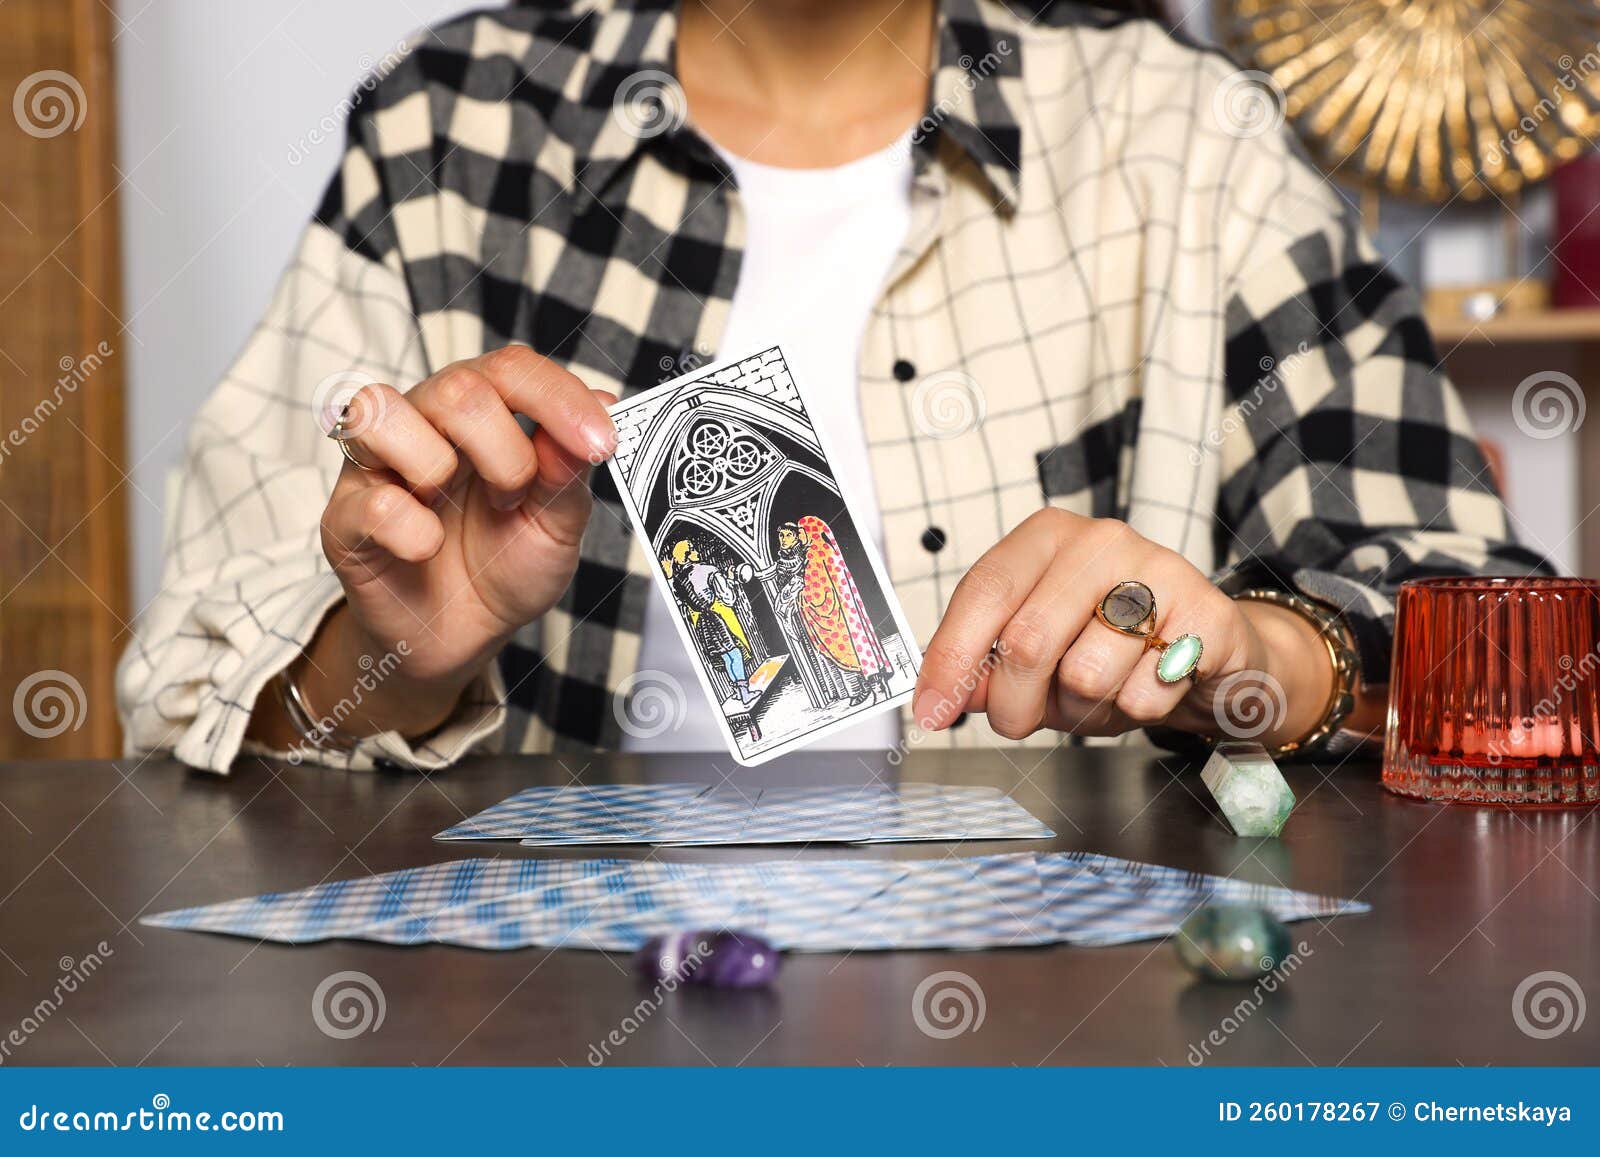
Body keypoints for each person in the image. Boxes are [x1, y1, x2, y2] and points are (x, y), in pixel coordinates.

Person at [117, 0, 1547, 772]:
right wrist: (392, 662)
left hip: (1084, 1037)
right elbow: (182, 697)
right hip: (552, 1036)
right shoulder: (448, 125)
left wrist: (1253, 660)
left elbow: (1501, 645)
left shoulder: (1186, 135)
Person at [775, 519, 891, 707]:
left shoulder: (815, 554)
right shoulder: (819, 550)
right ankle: (866, 687)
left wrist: (798, 597)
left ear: (810, 532)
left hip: (835, 614)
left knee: (851, 651)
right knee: (851, 652)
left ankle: (875, 689)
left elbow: (817, 592)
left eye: (800, 531)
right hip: (840, 611)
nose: (798, 535)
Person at [668, 539, 758, 705]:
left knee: (726, 657)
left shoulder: (677, 580)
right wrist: (730, 579)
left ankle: (738, 692)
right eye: (693, 549)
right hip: (717, 619)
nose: (697, 552)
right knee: (736, 654)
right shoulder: (708, 570)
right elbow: (728, 597)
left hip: (703, 625)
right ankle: (745, 694)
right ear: (688, 555)